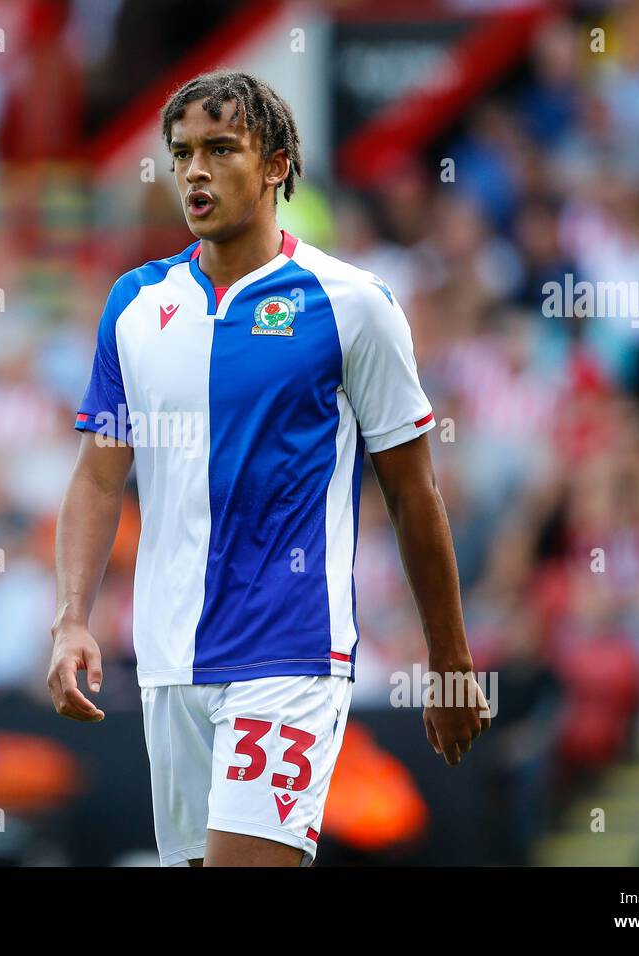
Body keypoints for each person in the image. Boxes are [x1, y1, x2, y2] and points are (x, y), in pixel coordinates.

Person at [49, 71, 489, 867]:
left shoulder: (352, 304)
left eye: (221, 149)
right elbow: (97, 476)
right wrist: (73, 616)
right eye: (181, 153)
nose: (194, 171)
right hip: (169, 656)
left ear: (278, 163)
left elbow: (413, 491)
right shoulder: (135, 305)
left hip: (289, 648)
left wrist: (450, 661)